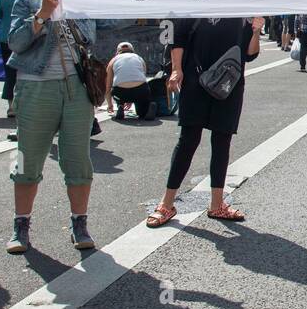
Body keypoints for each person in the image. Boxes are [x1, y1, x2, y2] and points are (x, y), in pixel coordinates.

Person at [5, 0, 101, 254]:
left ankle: (79, 223)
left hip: (77, 89)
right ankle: (20, 225)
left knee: (78, 158)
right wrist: (42, 16)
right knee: (27, 158)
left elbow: (92, 36)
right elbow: (15, 41)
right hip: (35, 86)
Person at [146, 17, 263, 228]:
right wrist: (176, 69)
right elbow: (178, 37)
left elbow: (250, 53)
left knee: (222, 140)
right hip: (194, 79)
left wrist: (256, 31)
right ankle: (166, 204)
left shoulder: (241, 8)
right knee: (188, 140)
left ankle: (217, 204)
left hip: (229, 82)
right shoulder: (198, 0)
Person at [0, 0, 29, 118]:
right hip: (25, 38)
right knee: (25, 73)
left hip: (5, 39)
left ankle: (11, 106)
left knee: (10, 73)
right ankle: (24, 104)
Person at [107, 41, 154, 121]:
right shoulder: (139, 58)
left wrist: (110, 105)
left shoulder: (113, 61)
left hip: (121, 92)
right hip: (140, 90)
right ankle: (149, 107)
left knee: (116, 88)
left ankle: (120, 106)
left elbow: (107, 86)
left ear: (117, 52)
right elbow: (143, 79)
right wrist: (132, 98)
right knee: (141, 112)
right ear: (132, 50)